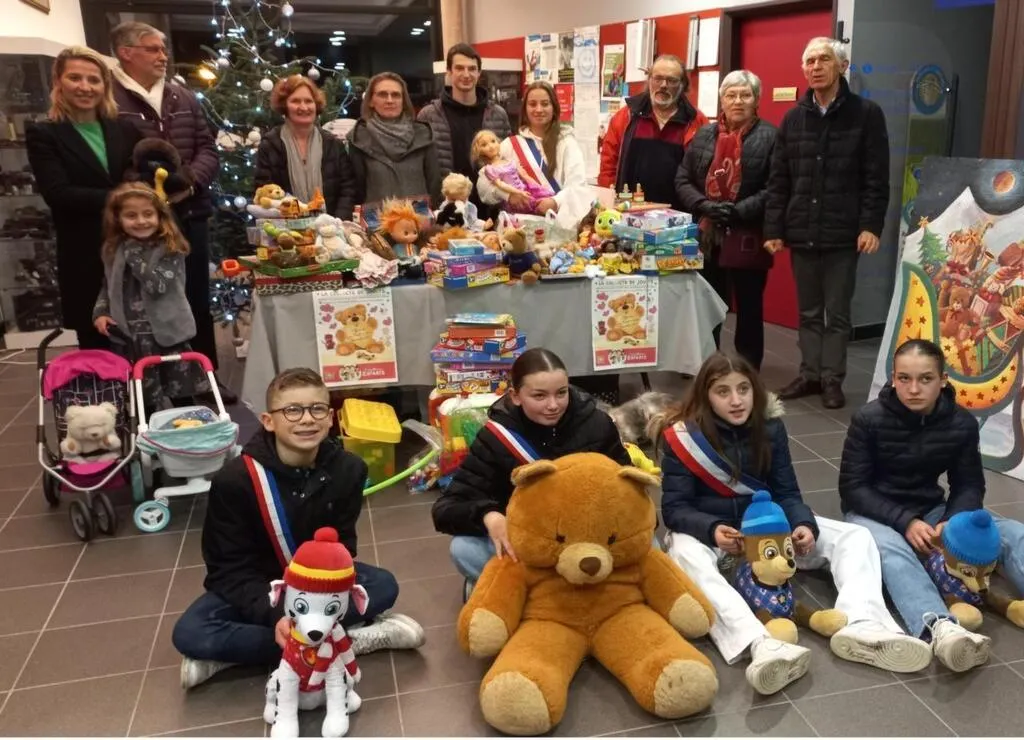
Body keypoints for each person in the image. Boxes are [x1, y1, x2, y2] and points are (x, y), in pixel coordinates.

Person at [658, 351, 933, 696]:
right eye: (723, 392)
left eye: (743, 389)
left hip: (769, 534)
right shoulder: (683, 438)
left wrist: (803, 524)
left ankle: (862, 623)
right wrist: (712, 528)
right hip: (714, 535)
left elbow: (787, 491)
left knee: (855, 536)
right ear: (705, 395)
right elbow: (674, 509)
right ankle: (758, 642)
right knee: (683, 553)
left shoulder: (771, 427)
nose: (736, 400)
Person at [172, 367, 425, 690]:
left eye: (317, 408)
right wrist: (276, 612)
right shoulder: (236, 481)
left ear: (330, 417)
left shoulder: (349, 469)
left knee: (383, 585)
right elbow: (226, 571)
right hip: (258, 585)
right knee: (193, 632)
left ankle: (236, 655)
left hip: (317, 585)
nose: (307, 419)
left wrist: (324, 588)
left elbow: (344, 545)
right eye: (292, 410)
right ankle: (347, 641)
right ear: (268, 421)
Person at [838, 339, 1013, 672]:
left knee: (1006, 531)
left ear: (943, 380)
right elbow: (853, 488)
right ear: (893, 378)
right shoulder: (868, 419)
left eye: (925, 379)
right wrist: (904, 521)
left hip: (931, 507)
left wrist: (953, 519)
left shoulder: (960, 423)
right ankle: (940, 627)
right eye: (904, 378)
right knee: (891, 550)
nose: (913, 388)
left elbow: (969, 484)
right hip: (872, 510)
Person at [431, 348, 630, 592]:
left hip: (592, 540)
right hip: (533, 548)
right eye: (539, 396)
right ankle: (569, 593)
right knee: (464, 549)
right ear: (515, 396)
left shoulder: (598, 424)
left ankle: (528, 593)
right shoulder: (496, 437)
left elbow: (630, 489)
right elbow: (447, 508)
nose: (553, 405)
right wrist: (488, 516)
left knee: (649, 545)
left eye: (562, 393)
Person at [109, 22, 235, 404]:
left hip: (190, 212)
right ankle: (153, 386)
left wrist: (188, 183)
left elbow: (207, 148)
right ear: (126, 53)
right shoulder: (112, 100)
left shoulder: (183, 97)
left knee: (195, 296)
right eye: (152, 49)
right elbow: (116, 162)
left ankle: (205, 379)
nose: (162, 56)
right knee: (143, 300)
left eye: (163, 49)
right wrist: (146, 198)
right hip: (140, 220)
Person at [764, 37, 890, 410]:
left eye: (823, 60)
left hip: (843, 233)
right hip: (802, 231)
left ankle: (832, 378)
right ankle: (810, 373)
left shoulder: (866, 114)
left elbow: (876, 178)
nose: (815, 67)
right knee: (807, 311)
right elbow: (779, 179)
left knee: (836, 313)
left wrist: (871, 225)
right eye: (809, 61)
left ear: (842, 66)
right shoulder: (793, 117)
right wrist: (773, 229)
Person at [25, 46, 140, 350]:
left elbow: (139, 170)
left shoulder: (124, 129)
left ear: (105, 86)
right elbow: (58, 194)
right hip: (85, 253)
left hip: (133, 248)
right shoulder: (44, 134)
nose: (85, 87)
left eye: (94, 79)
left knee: (143, 337)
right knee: (98, 343)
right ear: (58, 82)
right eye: (75, 78)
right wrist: (125, 200)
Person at [675, 70, 776, 370]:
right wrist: (705, 204)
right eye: (731, 95)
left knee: (748, 305)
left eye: (745, 95)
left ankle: (747, 366)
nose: (737, 101)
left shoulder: (771, 136)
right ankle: (708, 362)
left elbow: (777, 186)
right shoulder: (704, 134)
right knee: (707, 302)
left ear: (756, 100)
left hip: (747, 233)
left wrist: (739, 209)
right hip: (707, 234)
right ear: (722, 100)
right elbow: (683, 178)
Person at [92, 182, 210, 406]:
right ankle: (149, 438)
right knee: (143, 400)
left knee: (182, 398)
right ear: (118, 219)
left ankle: (189, 435)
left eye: (148, 214)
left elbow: (157, 286)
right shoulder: (113, 248)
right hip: (131, 337)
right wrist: (101, 311)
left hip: (168, 335)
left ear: (160, 215)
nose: (141, 221)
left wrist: (134, 254)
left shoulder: (171, 248)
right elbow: (109, 284)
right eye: (131, 215)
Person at [598, 55, 708, 209]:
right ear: (649, 80)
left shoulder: (697, 122)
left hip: (679, 218)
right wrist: (607, 202)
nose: (663, 85)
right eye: (658, 78)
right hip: (628, 211)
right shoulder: (627, 116)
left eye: (671, 80)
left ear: (683, 85)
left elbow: (703, 173)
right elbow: (608, 164)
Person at [417, 43, 511, 221]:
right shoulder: (428, 115)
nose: (466, 74)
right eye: (459, 68)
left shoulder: (498, 115)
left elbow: (507, 161)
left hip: (490, 211)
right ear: (449, 72)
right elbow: (421, 167)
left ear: (479, 73)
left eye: (472, 69)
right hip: (447, 211)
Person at [476, 82, 586, 217]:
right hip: (518, 229)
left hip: (559, 225)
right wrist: (508, 195)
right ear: (525, 109)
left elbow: (578, 184)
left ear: (554, 107)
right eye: (533, 104)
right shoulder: (510, 145)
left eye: (545, 104)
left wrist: (555, 201)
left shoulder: (567, 143)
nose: (539, 109)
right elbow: (483, 184)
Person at [254, 75, 357, 220]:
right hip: (287, 231)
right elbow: (265, 190)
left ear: (316, 105)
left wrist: (338, 222)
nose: (303, 107)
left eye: (309, 101)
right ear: (285, 106)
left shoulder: (332, 143)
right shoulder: (270, 144)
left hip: (331, 230)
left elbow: (347, 189)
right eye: (295, 101)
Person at [349, 72, 441, 206]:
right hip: (377, 223)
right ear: (370, 101)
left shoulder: (424, 135)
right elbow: (358, 191)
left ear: (404, 101)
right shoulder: (358, 139)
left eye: (396, 95)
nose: (390, 100)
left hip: (420, 222)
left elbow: (434, 186)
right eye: (382, 94)